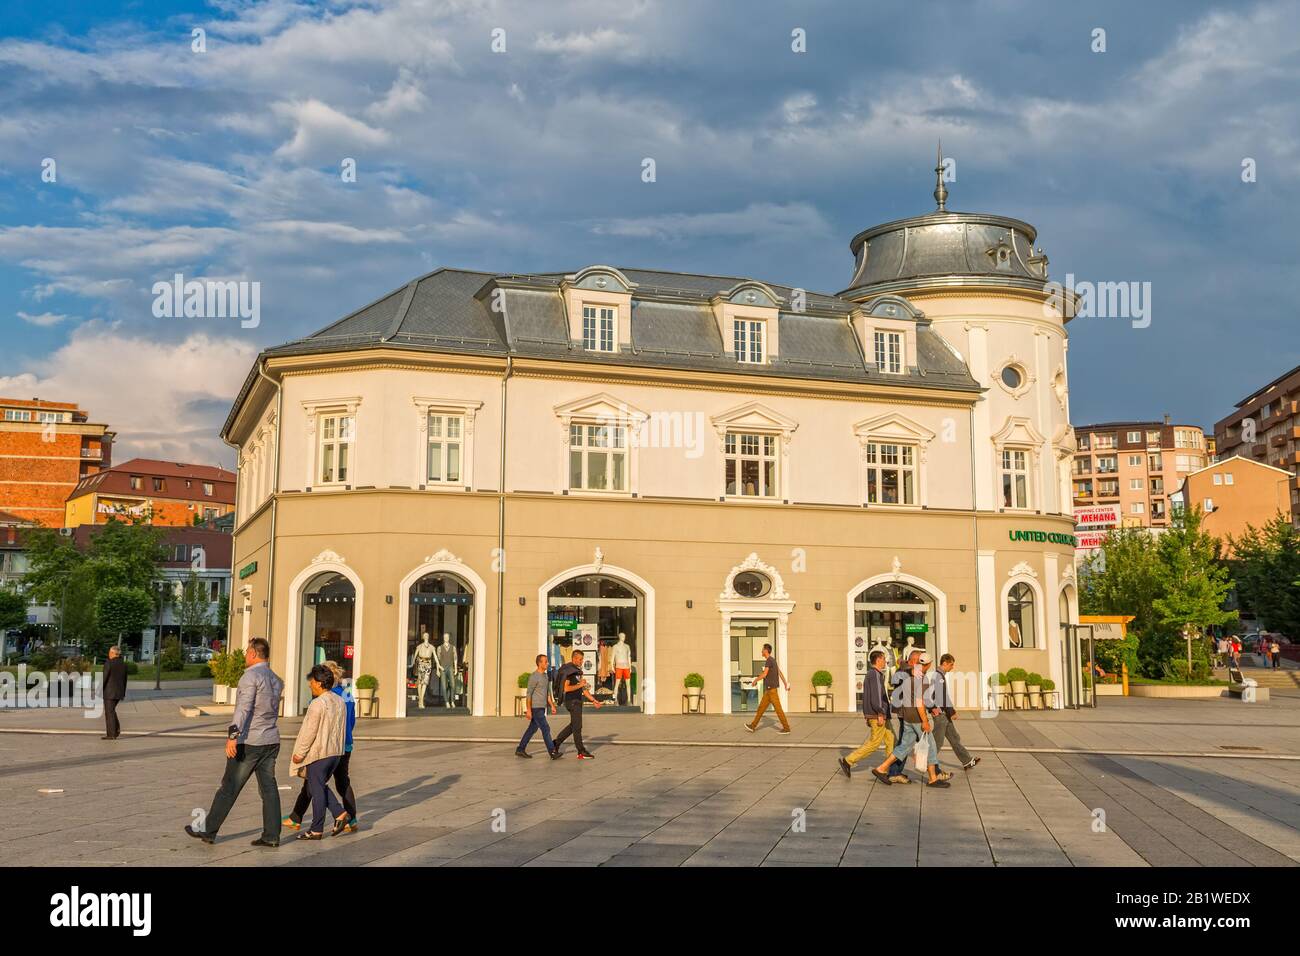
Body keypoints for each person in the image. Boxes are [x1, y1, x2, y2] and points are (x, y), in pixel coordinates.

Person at [186, 638, 285, 847]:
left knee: (229, 786)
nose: (244, 655)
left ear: (254, 654)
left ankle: (208, 830)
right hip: (271, 739)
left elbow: (243, 708)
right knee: (269, 788)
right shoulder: (276, 679)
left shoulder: (250, 676)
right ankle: (272, 835)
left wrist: (233, 736)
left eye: (247, 651)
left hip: (250, 741)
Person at [284, 660, 358, 833]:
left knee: (315, 781)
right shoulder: (346, 693)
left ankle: (320, 822)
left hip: (325, 747)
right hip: (344, 744)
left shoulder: (324, 697)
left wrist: (301, 752)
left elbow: (312, 729)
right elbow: (352, 719)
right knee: (340, 782)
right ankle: (350, 818)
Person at [875, 651, 949, 788]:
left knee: (903, 747)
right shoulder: (922, 678)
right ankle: (933, 779)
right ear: (929, 664)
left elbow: (902, 666)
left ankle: (881, 768)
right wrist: (925, 721)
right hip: (916, 718)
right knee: (931, 747)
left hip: (907, 716)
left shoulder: (909, 675)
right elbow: (920, 702)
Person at [838, 649, 893, 779]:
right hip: (878, 714)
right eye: (884, 659)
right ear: (878, 660)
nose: (886, 661)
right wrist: (880, 712)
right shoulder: (874, 674)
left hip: (879, 714)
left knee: (890, 740)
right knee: (874, 743)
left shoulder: (874, 674)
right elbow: (876, 697)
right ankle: (848, 760)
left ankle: (887, 769)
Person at [930, 654, 978, 771]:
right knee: (937, 741)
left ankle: (966, 761)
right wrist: (951, 712)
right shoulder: (938, 676)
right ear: (944, 663)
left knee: (954, 738)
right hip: (941, 714)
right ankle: (928, 763)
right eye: (951, 664)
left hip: (944, 713)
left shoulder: (939, 675)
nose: (952, 667)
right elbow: (942, 697)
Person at [552, 650, 603, 759]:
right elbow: (566, 688)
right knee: (577, 727)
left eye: (582, 659)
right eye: (580, 659)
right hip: (572, 702)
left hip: (578, 701)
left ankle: (556, 743)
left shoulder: (577, 672)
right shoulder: (569, 672)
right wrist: (580, 685)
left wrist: (593, 700)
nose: (581, 661)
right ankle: (581, 751)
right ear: (574, 658)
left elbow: (584, 690)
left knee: (573, 726)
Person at [517, 653, 558, 758]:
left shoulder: (545, 676)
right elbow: (529, 694)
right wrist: (529, 710)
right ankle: (552, 751)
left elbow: (547, 693)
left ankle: (520, 749)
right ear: (539, 663)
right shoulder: (534, 677)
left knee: (532, 729)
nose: (547, 663)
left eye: (547, 661)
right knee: (546, 728)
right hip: (535, 708)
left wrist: (552, 705)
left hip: (541, 707)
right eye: (545, 661)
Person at [744, 643, 791, 734]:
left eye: (762, 650)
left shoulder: (769, 660)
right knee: (761, 708)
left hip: (772, 691)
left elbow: (765, 674)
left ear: (766, 650)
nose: (761, 651)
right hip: (769, 691)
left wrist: (755, 680)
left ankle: (786, 728)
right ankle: (753, 726)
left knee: (778, 710)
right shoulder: (773, 660)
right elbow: (779, 673)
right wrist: (785, 683)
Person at [101, 645, 128, 741]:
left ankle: (111, 734)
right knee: (112, 711)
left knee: (109, 713)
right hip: (119, 692)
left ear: (113, 653)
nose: (108, 654)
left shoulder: (109, 663)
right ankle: (116, 729)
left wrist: (98, 690)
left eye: (109, 652)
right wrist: (123, 693)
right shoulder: (123, 664)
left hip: (109, 692)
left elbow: (104, 678)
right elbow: (125, 680)